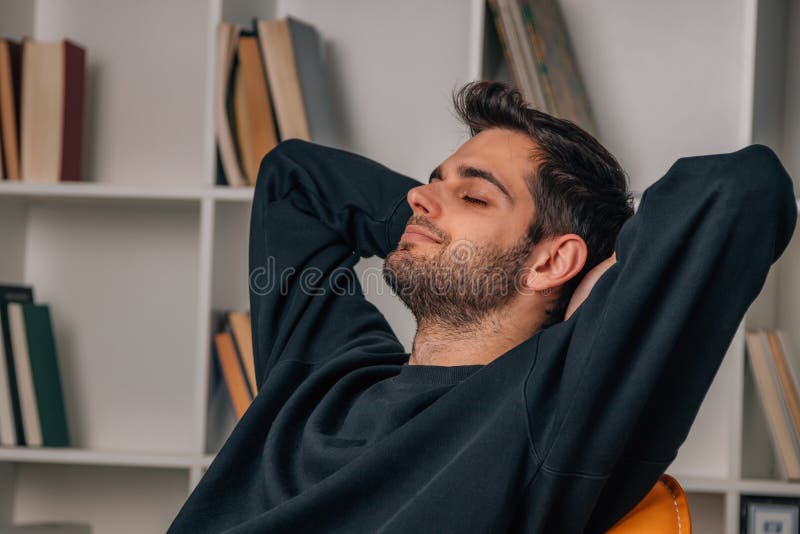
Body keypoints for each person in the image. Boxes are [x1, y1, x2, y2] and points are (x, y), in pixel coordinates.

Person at [168, 81, 797, 533]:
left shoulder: (551, 409)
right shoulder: (326, 366)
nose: (420, 196)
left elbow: (742, 190)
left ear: (552, 262)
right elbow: (294, 179)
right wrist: (436, 225)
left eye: (474, 195)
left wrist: (598, 280)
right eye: (431, 180)